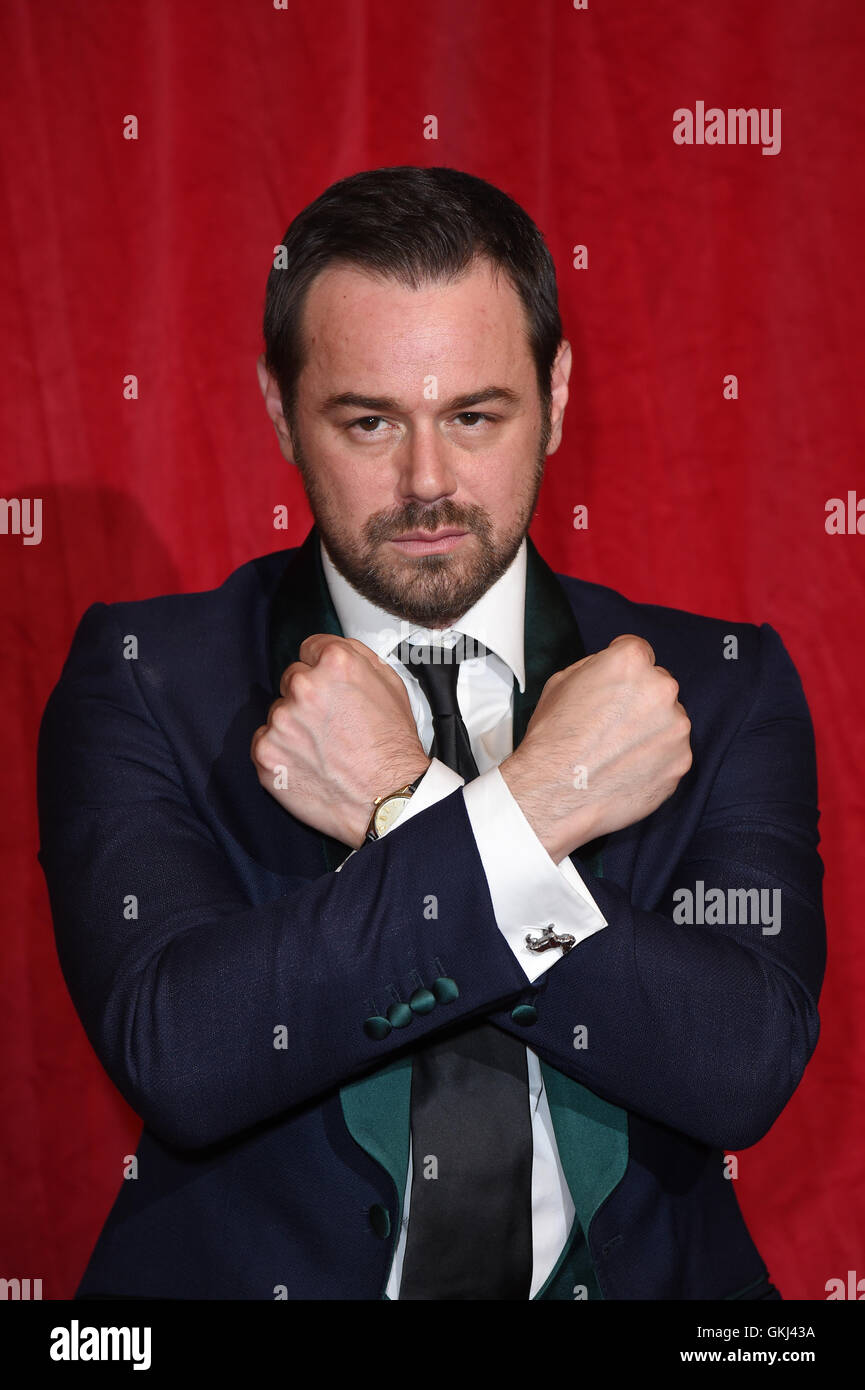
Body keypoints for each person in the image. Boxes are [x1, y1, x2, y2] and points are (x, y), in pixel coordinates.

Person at [37, 165, 825, 1300]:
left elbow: (738, 1059)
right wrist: (528, 810)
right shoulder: (144, 677)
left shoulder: (713, 684)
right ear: (277, 408)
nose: (426, 482)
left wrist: (403, 804)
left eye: (474, 415)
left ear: (556, 394)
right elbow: (184, 1055)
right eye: (368, 421)